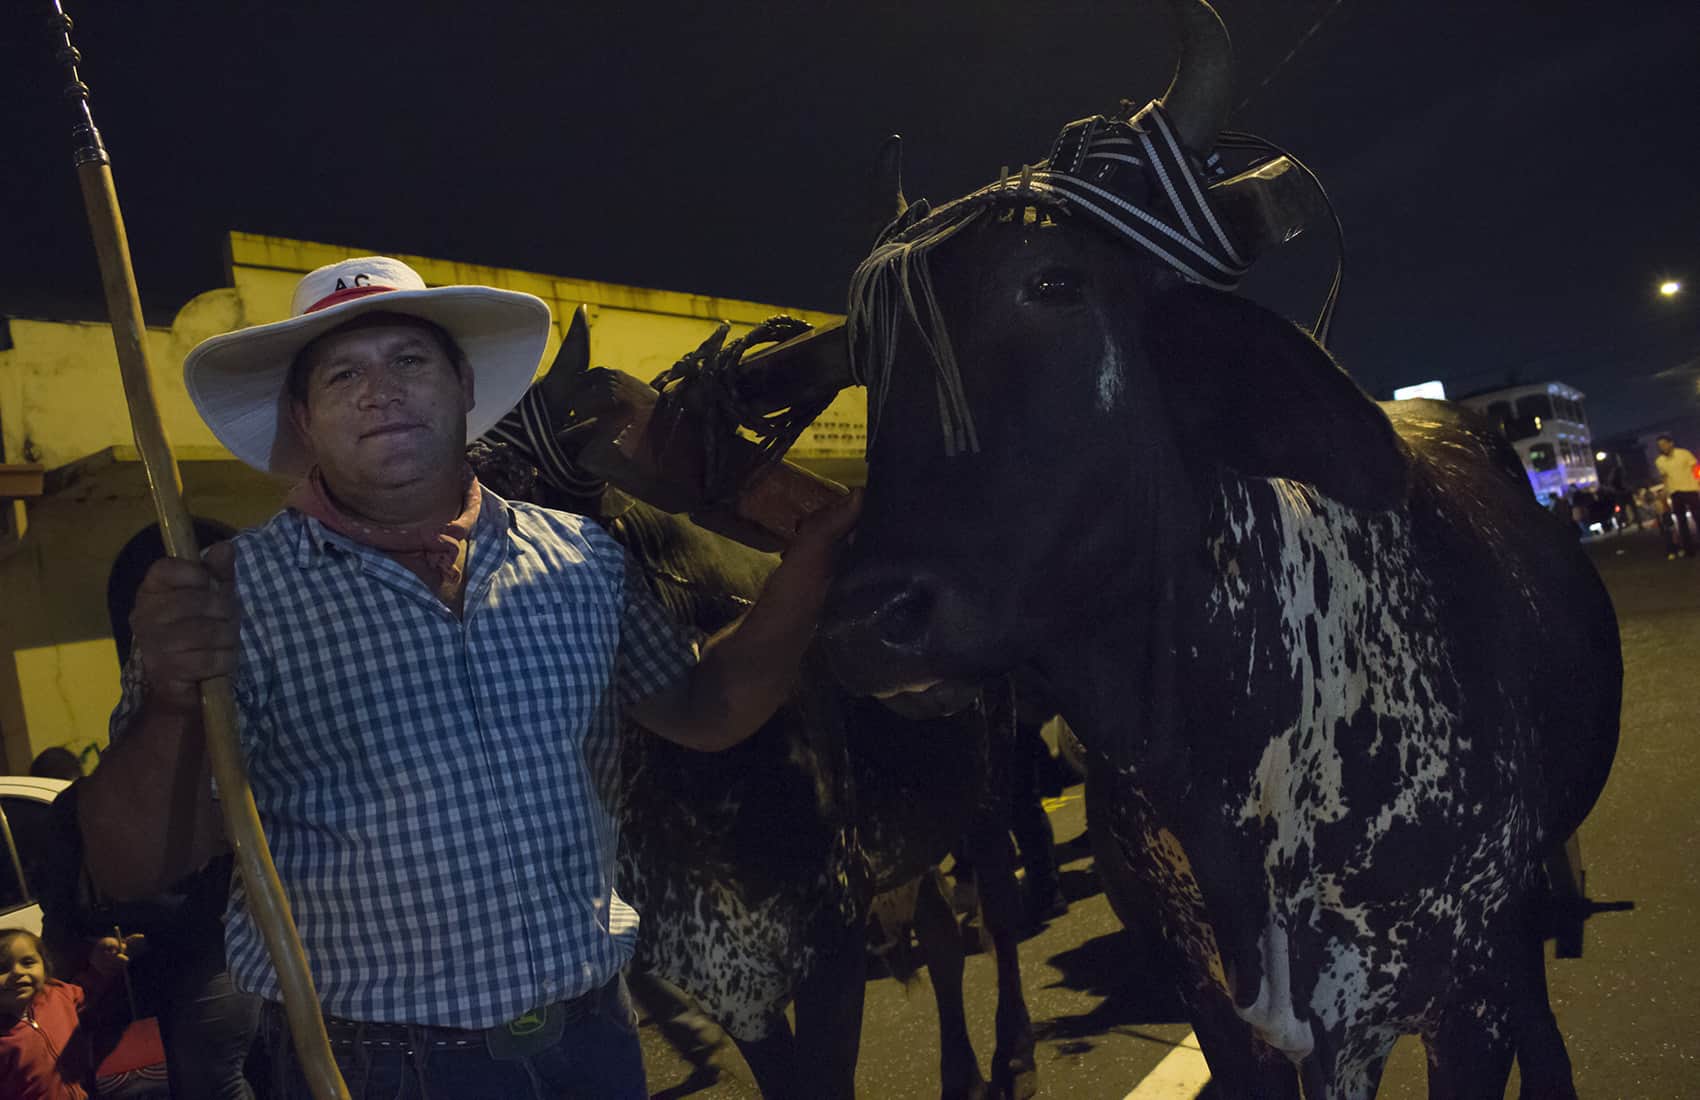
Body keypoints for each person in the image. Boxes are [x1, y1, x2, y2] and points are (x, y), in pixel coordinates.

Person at [75, 257, 859, 1098]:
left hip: (591, 1046)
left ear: (463, 384)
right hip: (370, 1071)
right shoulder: (230, 593)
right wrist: (168, 699)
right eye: (343, 373)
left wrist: (809, 569)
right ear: (303, 419)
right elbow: (127, 868)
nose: (380, 391)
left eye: (409, 361)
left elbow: (707, 709)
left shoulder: (584, 559)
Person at [0, 927, 141, 1099]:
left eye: (28, 962)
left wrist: (103, 961)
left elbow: (88, 990)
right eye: (2, 968)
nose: (18, 972)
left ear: (44, 964)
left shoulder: (56, 993)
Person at [1654, 435, 1700, 559]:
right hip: (1675, 492)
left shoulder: (1684, 454)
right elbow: (1664, 477)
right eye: (1660, 445)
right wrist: (1665, 492)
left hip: (1690, 488)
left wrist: (1698, 482)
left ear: (1671, 443)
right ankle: (1688, 548)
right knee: (1681, 521)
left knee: (1698, 516)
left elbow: (1695, 468)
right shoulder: (1660, 461)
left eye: (1664, 444)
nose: (1662, 447)